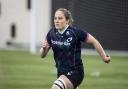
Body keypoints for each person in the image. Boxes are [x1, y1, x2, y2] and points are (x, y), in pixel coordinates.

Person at [40, 8, 111, 89]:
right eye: (55, 18)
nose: (57, 20)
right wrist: (44, 49)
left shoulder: (75, 32)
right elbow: (42, 55)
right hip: (61, 73)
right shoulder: (51, 33)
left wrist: (104, 57)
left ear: (67, 20)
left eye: (60, 18)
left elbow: (94, 41)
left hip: (75, 72)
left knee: (56, 87)